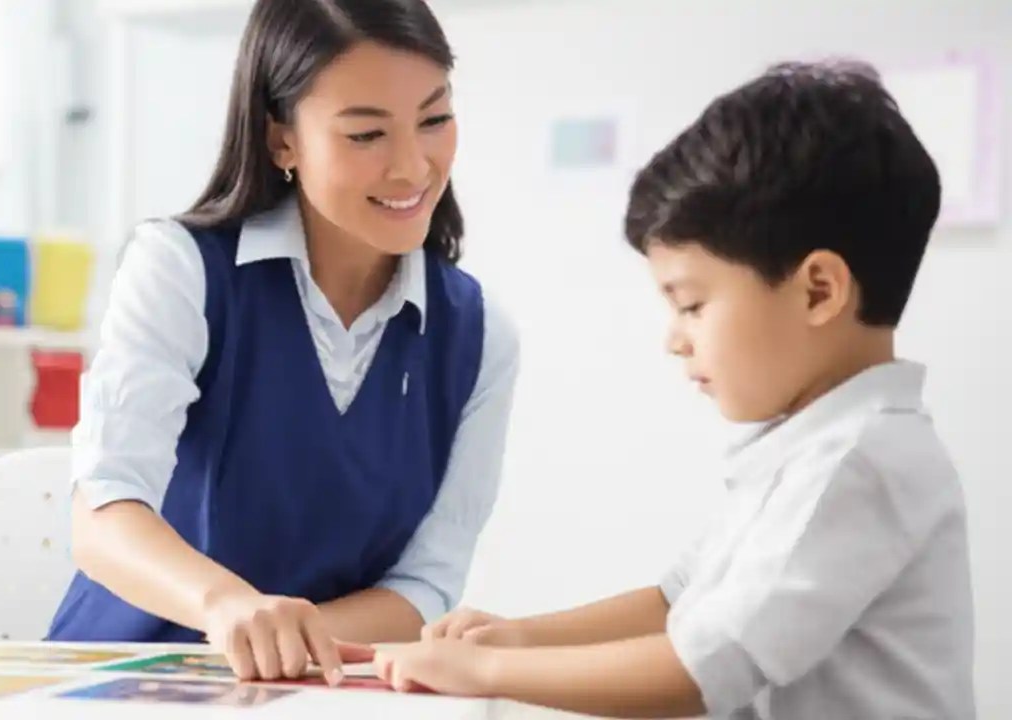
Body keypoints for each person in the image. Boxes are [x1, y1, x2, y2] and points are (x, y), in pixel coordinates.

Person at [370, 60, 975, 719]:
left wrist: (488, 670)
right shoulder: (804, 448)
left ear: (818, 290)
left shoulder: (859, 462)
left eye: (690, 304)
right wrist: (520, 636)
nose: (675, 338)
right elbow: (677, 603)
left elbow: (699, 668)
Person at [45, 0, 520, 689]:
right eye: (365, 135)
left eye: (435, 120)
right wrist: (227, 607)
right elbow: (105, 511)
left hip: (310, 690)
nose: (413, 167)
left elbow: (426, 582)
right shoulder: (179, 269)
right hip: (120, 678)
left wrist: (287, 643)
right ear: (281, 141)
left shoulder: (478, 336)